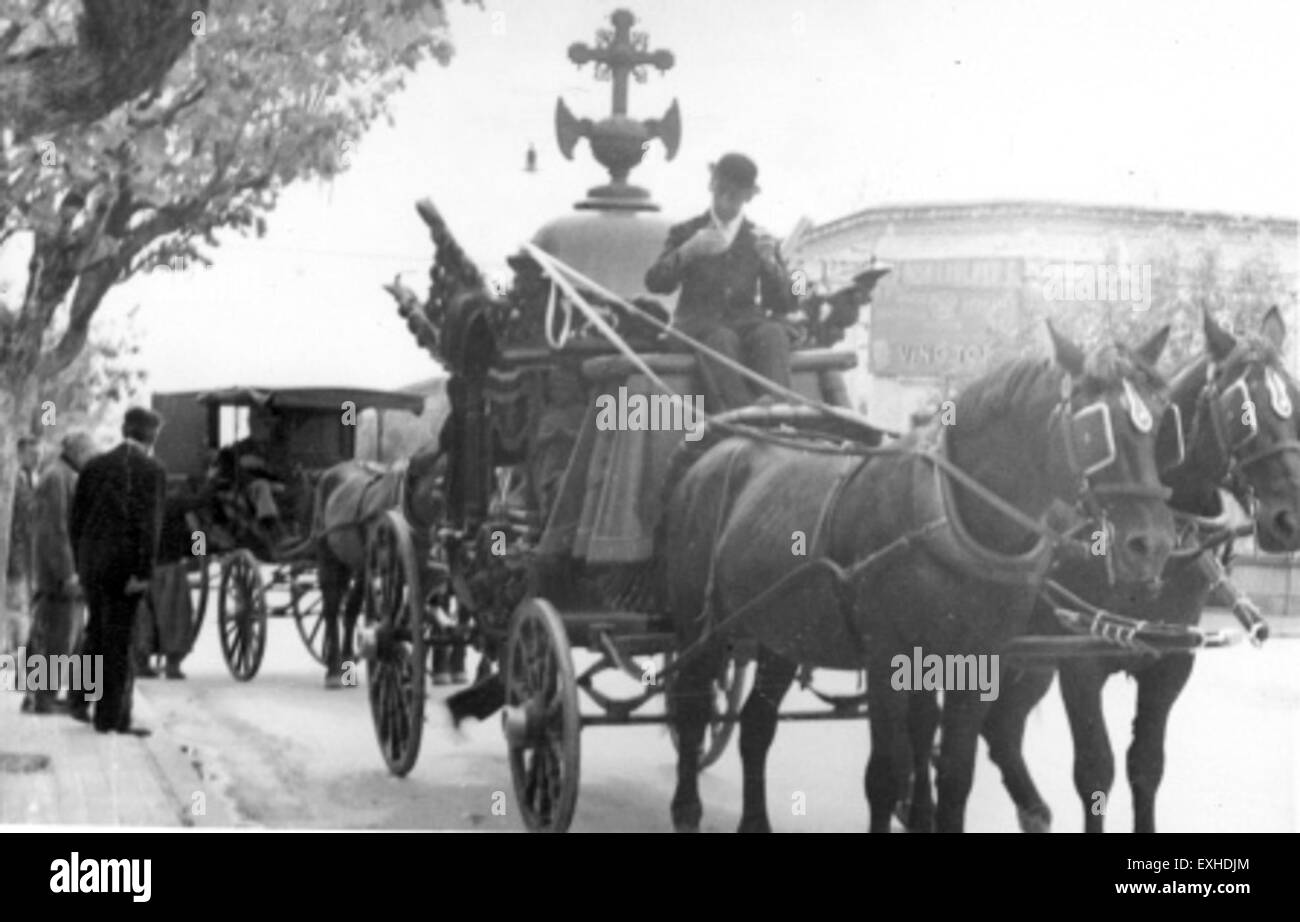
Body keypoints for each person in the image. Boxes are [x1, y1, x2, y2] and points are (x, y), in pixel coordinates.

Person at [644, 152, 798, 411]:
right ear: (711, 185)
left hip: (746, 321)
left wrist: (771, 265)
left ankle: (779, 411)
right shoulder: (686, 232)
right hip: (698, 325)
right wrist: (687, 252)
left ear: (748, 196)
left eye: (734, 196)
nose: (725, 202)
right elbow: (655, 282)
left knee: (773, 333)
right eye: (721, 191)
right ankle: (741, 415)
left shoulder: (760, 238)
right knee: (720, 338)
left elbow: (786, 302)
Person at [67, 408, 167, 735]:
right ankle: (111, 719)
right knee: (120, 642)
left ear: (124, 429)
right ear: (152, 436)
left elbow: (75, 521)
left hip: (92, 568)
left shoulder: (94, 466)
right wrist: (143, 572)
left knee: (95, 631)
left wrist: (81, 564)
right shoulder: (152, 471)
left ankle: (78, 699)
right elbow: (150, 527)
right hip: (126, 572)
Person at [22, 431, 95, 714]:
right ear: (78, 451)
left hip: (63, 574)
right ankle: (42, 698)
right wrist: (67, 574)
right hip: (58, 578)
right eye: (89, 453)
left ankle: (45, 696)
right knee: (57, 638)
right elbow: (55, 531)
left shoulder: (63, 475)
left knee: (66, 638)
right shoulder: (57, 477)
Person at [133, 476, 205, 680]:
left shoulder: (138, 505)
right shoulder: (177, 505)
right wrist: (200, 556)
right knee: (175, 617)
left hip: (143, 569)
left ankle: (142, 661)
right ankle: (173, 664)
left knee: (143, 616)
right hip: (170, 568)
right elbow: (197, 532)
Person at [3, 435, 41, 655]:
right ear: (19, 454)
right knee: (16, 610)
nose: (37, 458)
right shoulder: (12, 481)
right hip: (14, 557)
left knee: (25, 609)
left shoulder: (35, 478)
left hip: (30, 556)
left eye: (39, 454)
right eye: (32, 454)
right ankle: (16, 656)